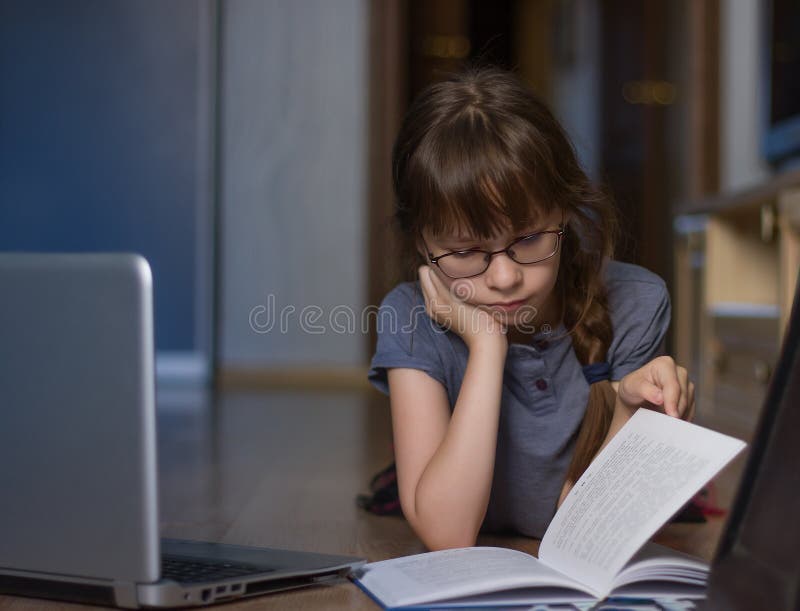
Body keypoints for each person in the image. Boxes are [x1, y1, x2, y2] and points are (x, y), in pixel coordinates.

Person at [367, 66, 695, 551]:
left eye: (529, 240)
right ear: (422, 245)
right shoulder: (409, 316)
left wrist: (627, 413)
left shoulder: (637, 302)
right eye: (465, 253)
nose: (504, 278)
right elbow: (447, 533)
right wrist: (485, 346)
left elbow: (586, 532)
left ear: (563, 213)